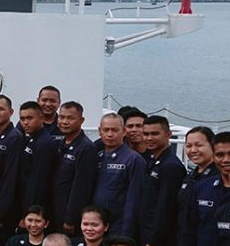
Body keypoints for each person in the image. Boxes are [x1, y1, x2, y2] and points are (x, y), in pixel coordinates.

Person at [175, 126, 220, 246]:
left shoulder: (218, 180)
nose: (193, 150)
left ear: (212, 146)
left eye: (198, 145)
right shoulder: (192, 176)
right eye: (188, 145)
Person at [138, 115, 185, 246]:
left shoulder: (171, 166)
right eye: (146, 134)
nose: (149, 138)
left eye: (155, 134)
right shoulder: (154, 160)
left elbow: (166, 207)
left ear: (168, 135)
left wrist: (154, 241)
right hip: (146, 233)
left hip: (160, 242)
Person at [93, 114, 146, 237]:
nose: (110, 134)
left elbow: (135, 199)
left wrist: (127, 232)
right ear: (100, 132)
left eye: (115, 130)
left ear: (123, 132)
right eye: (106, 130)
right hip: (97, 224)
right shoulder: (97, 156)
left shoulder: (133, 159)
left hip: (119, 226)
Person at [51, 102, 97, 234]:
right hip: (55, 209)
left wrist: (71, 218)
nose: (64, 122)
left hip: (68, 216)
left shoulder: (86, 148)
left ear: (81, 120)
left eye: (70, 118)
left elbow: (81, 188)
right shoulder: (61, 143)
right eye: (62, 117)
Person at [15, 101, 56, 232]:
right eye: (22, 119)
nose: (25, 122)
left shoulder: (44, 143)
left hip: (35, 208)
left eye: (30, 118)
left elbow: (37, 182)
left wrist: (26, 214)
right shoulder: (32, 139)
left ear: (41, 118)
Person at [0, 95, 22, 226]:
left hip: (3, 206)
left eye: (0, 109)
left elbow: (10, 176)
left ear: (11, 112)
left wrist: (0, 209)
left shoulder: (15, 137)